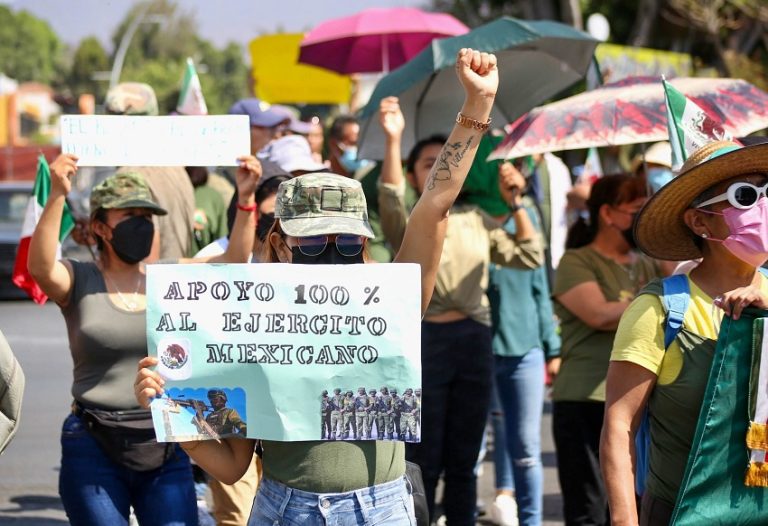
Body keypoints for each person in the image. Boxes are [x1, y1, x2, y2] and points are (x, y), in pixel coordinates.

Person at [134, 48, 500, 525]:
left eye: (347, 240)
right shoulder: (251, 319)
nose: (331, 250)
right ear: (281, 243)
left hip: (380, 508)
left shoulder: (389, 301)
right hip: (285, 508)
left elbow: (434, 205)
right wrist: (172, 413)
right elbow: (231, 465)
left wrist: (476, 107)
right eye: (313, 241)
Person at [27, 151, 261, 526]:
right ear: (101, 227)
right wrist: (57, 195)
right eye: (130, 216)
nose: (143, 225)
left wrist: (246, 199)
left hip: (166, 441)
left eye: (148, 217)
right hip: (93, 441)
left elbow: (232, 261)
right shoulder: (80, 279)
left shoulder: (166, 277)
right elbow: (40, 268)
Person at [377, 96, 544, 524]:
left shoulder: (475, 218)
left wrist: (515, 201)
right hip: (426, 340)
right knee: (424, 457)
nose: (437, 168)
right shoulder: (409, 222)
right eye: (427, 162)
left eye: (444, 160)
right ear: (416, 175)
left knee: (464, 460)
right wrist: (394, 140)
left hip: (473, 340)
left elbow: (528, 254)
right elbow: (390, 197)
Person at [601, 140, 768, 525]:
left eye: (767, 191)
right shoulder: (658, 309)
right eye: (744, 196)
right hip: (682, 512)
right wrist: (625, 520)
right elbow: (620, 423)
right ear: (699, 221)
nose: (762, 206)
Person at [551, 174, 664, 526]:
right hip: (586, 398)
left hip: (638, 402)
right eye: (636, 211)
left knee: (638, 505)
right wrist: (650, 302)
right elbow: (598, 314)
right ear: (608, 214)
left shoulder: (646, 262)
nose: (642, 218)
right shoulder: (576, 261)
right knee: (591, 510)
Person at [487, 192, 561, 526]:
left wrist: (553, 349)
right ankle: (503, 493)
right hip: (483, 349)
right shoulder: (474, 228)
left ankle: (530, 520)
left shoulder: (525, 225)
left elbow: (541, 295)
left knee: (527, 448)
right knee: (492, 431)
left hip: (525, 351)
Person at [106, 82, 197, 261]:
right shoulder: (176, 168)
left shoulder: (128, 177)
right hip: (174, 282)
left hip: (146, 284)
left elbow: (142, 255)